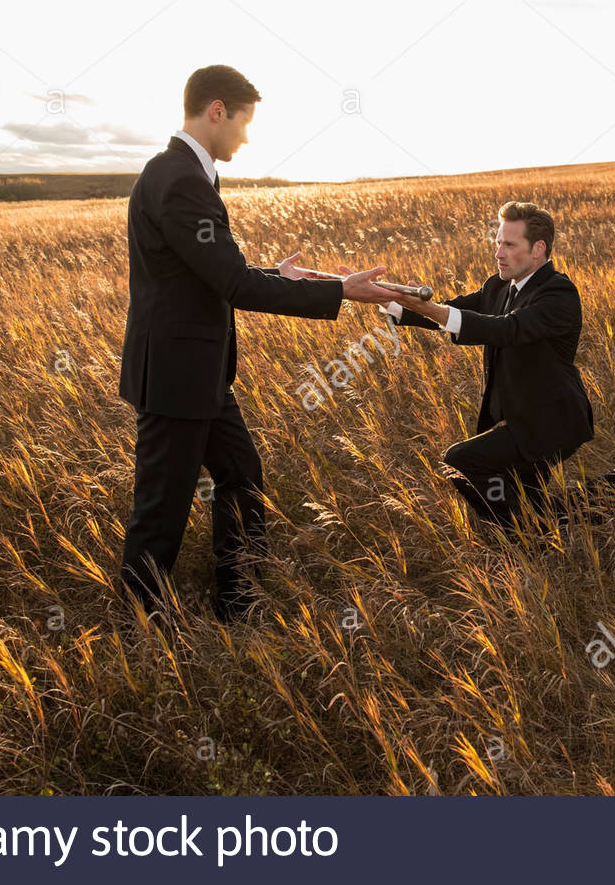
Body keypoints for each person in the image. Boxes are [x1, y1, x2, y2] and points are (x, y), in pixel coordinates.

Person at [118, 64, 405, 623]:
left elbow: (212, 269)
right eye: (244, 123)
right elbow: (230, 282)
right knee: (161, 509)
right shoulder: (179, 180)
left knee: (242, 475)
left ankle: (239, 598)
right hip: (177, 378)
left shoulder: (181, 173)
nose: (247, 138)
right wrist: (341, 292)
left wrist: (278, 274)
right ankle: (140, 625)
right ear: (217, 110)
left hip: (198, 375)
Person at [374, 201, 595, 533]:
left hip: (551, 424)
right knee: (530, 501)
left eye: (509, 244)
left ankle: (526, 540)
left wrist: (431, 309)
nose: (499, 253)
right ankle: (604, 498)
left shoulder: (558, 294)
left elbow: (507, 329)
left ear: (538, 249)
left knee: (461, 462)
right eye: (497, 243)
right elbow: (448, 313)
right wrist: (385, 299)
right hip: (520, 419)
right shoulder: (498, 286)